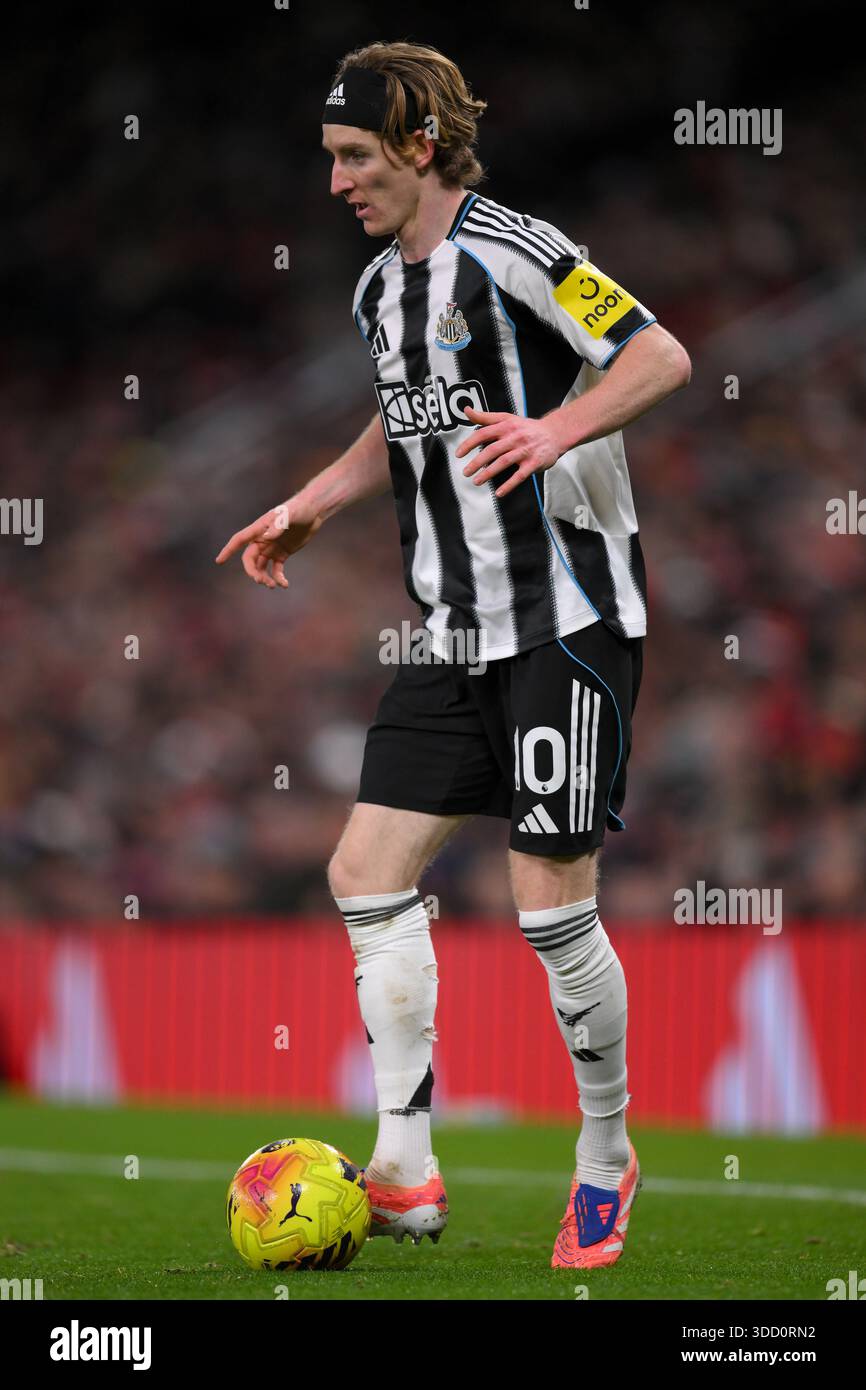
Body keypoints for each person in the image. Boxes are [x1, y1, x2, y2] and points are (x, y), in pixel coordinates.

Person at [216, 39, 691, 1269]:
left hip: (566, 624)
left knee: (550, 914)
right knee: (365, 872)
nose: (336, 184)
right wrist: (312, 501)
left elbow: (656, 352)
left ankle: (601, 1157)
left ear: (420, 147)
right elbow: (399, 420)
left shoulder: (519, 250)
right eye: (330, 160)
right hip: (452, 632)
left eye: (354, 158)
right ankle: (405, 1168)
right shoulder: (382, 292)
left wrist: (555, 426)